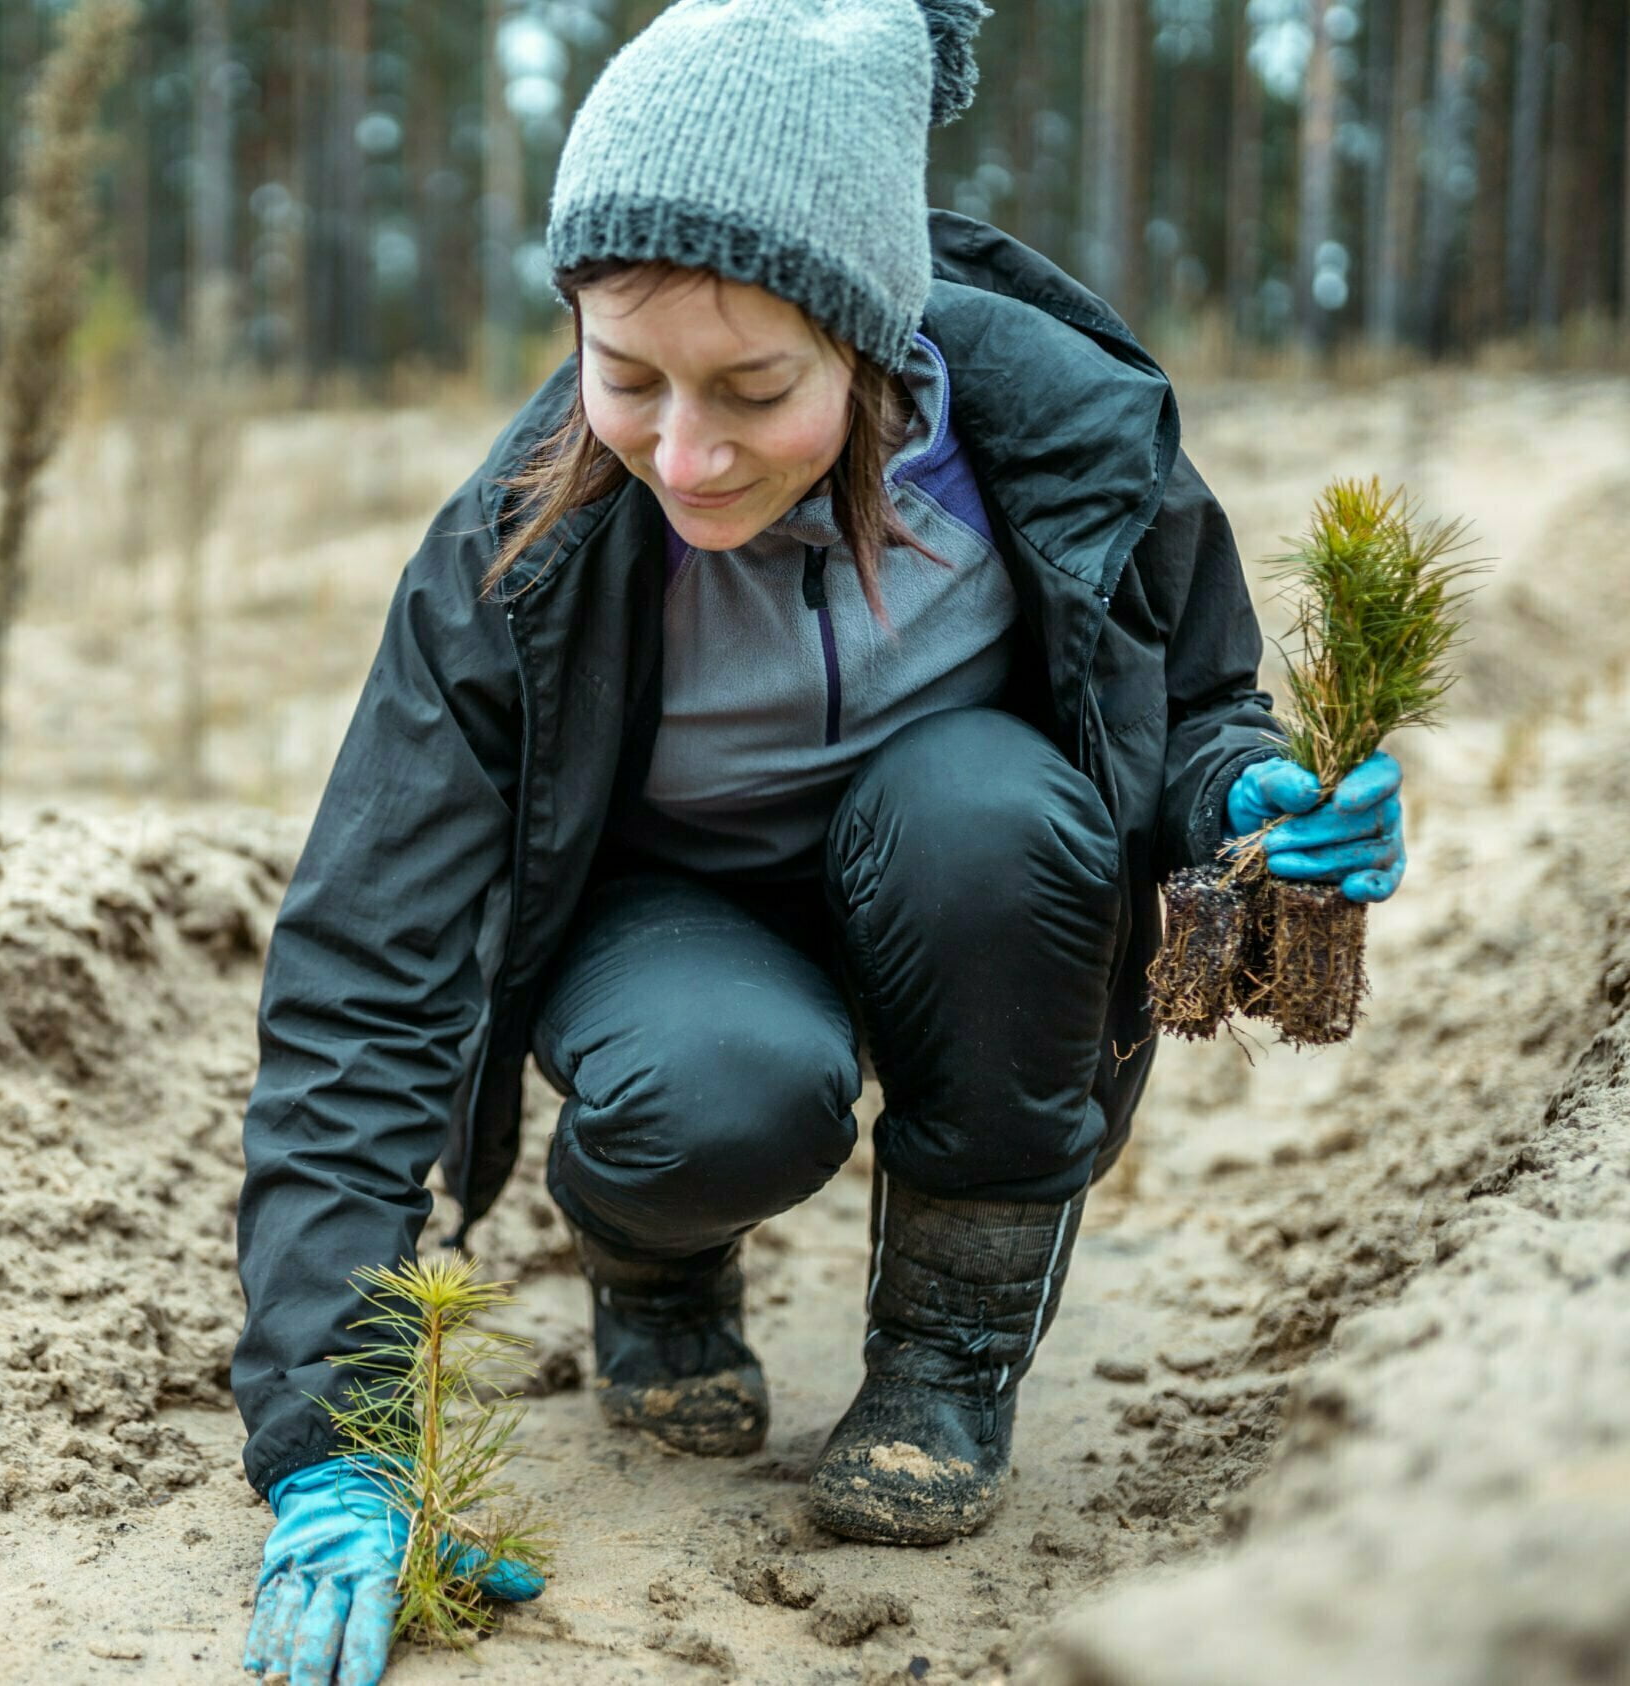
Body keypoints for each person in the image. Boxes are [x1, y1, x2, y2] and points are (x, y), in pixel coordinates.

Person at [232, 2, 1407, 1681]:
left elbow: (1195, 701)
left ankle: (949, 1352)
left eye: (755, 388)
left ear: (872, 341)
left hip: (964, 889)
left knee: (990, 814)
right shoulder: (519, 548)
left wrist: (1244, 796)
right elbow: (367, 964)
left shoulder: (1068, 441)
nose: (683, 451)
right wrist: (336, 1437)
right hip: (673, 935)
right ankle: (655, 1266)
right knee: (720, 1088)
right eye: (626, 376)